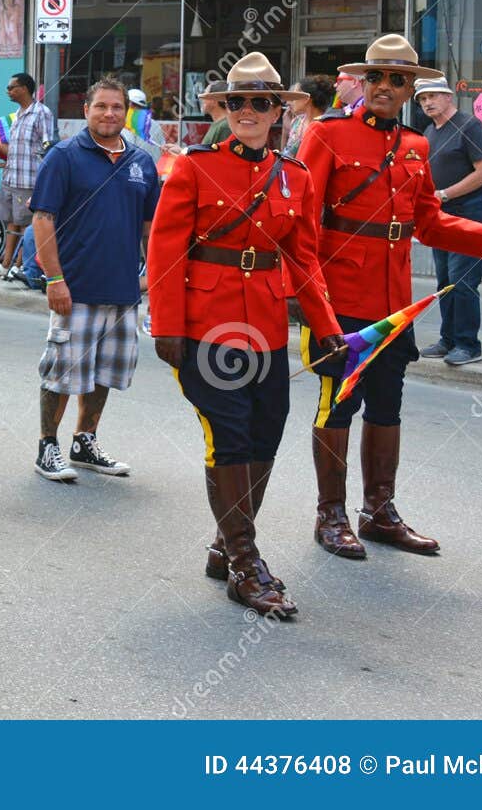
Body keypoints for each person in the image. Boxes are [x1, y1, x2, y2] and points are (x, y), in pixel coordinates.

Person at [296, 34, 482, 560]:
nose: (386, 86)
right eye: (378, 76)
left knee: (388, 405)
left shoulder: (414, 145)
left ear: (411, 87)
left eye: (398, 79)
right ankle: (330, 514)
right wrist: (308, 304)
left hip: (394, 299)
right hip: (339, 298)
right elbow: (302, 224)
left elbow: (427, 220)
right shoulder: (327, 134)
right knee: (337, 406)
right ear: (363, 82)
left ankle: (379, 511)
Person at [148, 54, 344, 619]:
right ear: (225, 108)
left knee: (265, 436)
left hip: (265, 328)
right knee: (229, 439)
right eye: (238, 102)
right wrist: (167, 327)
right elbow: (164, 251)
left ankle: (224, 541)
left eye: (261, 102)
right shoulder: (194, 167)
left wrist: (326, 325)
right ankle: (244, 561)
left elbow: (303, 258)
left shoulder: (295, 175)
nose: (249, 112)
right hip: (206, 327)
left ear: (279, 111)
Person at [29, 77, 161, 482]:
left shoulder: (141, 162)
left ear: (127, 112)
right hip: (75, 288)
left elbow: (151, 227)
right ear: (85, 110)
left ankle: (84, 440)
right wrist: (54, 279)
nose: (109, 114)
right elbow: (42, 219)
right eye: (101, 106)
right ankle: (47, 447)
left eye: (117, 107)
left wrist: (153, 276)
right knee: (62, 370)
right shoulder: (63, 157)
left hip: (121, 292)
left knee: (104, 371)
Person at [416, 77, 482, 366]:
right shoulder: (429, 130)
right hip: (440, 214)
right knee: (445, 280)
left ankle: (468, 344)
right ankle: (448, 339)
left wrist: (444, 194)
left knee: (464, 281)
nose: (428, 103)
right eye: (422, 99)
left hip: (470, 211)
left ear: (449, 96)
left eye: (433, 96)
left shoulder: (469, 124)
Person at [0, 72, 53, 280]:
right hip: (11, 177)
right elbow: (16, 149)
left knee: (26, 224)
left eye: (11, 87)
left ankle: (18, 265)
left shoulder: (41, 113)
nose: (8, 91)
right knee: (12, 222)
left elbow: (47, 146)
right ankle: (5, 264)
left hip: (28, 179)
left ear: (24, 88)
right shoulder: (16, 115)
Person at [283, 74, 335, 156]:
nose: (290, 101)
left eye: (295, 95)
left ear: (306, 99)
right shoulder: (296, 122)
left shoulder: (327, 125)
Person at [198, 81, 230, 147]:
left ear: (214, 99)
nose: (202, 99)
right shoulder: (219, 124)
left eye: (205, 95)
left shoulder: (225, 126)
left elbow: (223, 156)